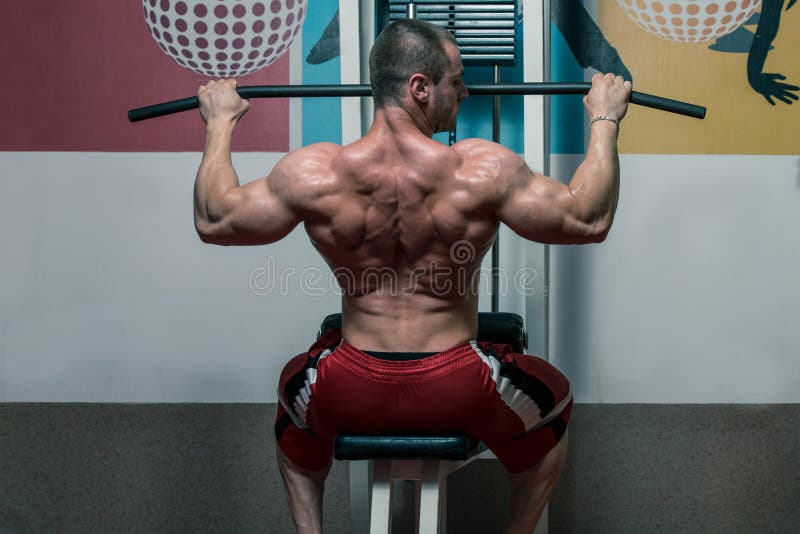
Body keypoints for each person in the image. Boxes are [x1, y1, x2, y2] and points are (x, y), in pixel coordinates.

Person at [194, 18, 630, 534]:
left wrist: (219, 122)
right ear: (419, 87)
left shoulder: (316, 173)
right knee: (554, 400)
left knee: (293, 406)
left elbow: (215, 219)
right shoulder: (479, 170)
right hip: (458, 386)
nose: (465, 92)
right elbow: (587, 218)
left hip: (350, 386)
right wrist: (604, 119)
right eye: (456, 80)